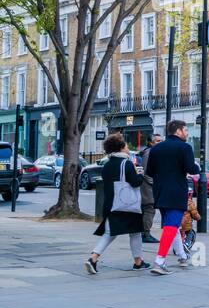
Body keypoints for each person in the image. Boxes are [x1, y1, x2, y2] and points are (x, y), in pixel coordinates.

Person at [144, 118, 201, 276]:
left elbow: (149, 172)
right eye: (186, 130)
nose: (187, 133)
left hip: (160, 191)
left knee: (173, 225)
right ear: (178, 131)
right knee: (171, 226)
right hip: (176, 191)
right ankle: (160, 261)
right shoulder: (185, 148)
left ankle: (182, 256)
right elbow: (191, 168)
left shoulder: (156, 149)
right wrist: (196, 165)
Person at [85, 133, 148, 274]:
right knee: (136, 232)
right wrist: (140, 174)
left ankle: (93, 258)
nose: (127, 147)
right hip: (126, 205)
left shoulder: (107, 165)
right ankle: (138, 262)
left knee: (109, 233)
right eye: (125, 144)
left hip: (111, 204)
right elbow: (135, 182)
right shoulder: (126, 163)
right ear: (120, 147)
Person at [137, 133, 163, 243]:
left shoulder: (154, 152)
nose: (160, 143)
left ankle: (143, 233)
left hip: (149, 187)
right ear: (151, 143)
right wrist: (156, 183)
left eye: (161, 140)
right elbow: (146, 172)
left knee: (147, 210)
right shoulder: (149, 153)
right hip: (148, 188)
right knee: (149, 209)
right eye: (157, 141)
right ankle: (145, 234)